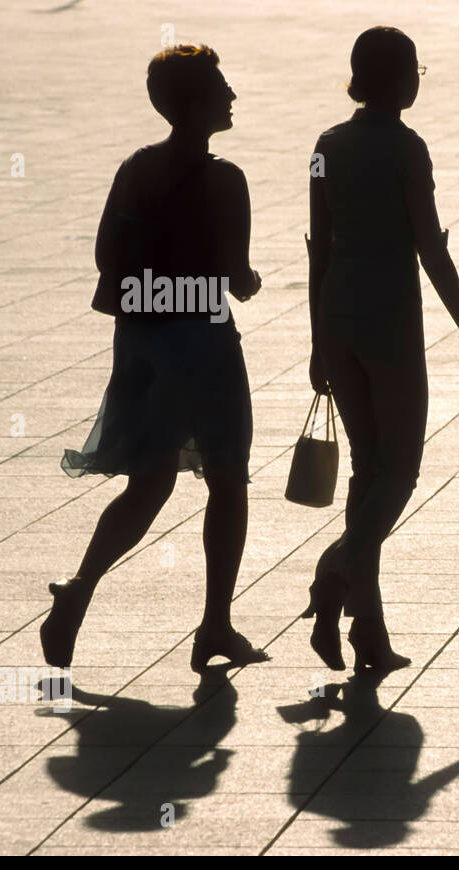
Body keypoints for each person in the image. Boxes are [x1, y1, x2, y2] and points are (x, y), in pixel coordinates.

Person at [40, 44, 270, 674]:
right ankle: (216, 624)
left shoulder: (136, 167)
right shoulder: (227, 180)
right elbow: (234, 274)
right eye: (220, 86)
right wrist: (247, 283)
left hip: (143, 341)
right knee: (227, 480)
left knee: (152, 481)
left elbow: (104, 256)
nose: (231, 95)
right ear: (196, 104)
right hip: (204, 345)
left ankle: (79, 590)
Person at [303, 26, 459, 675]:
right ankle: (334, 576)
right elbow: (429, 248)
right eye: (417, 70)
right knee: (400, 472)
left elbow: (317, 248)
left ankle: (367, 635)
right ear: (401, 79)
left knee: (367, 469)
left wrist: (316, 342)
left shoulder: (326, 147)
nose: (419, 80)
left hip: (338, 320)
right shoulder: (408, 150)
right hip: (389, 326)